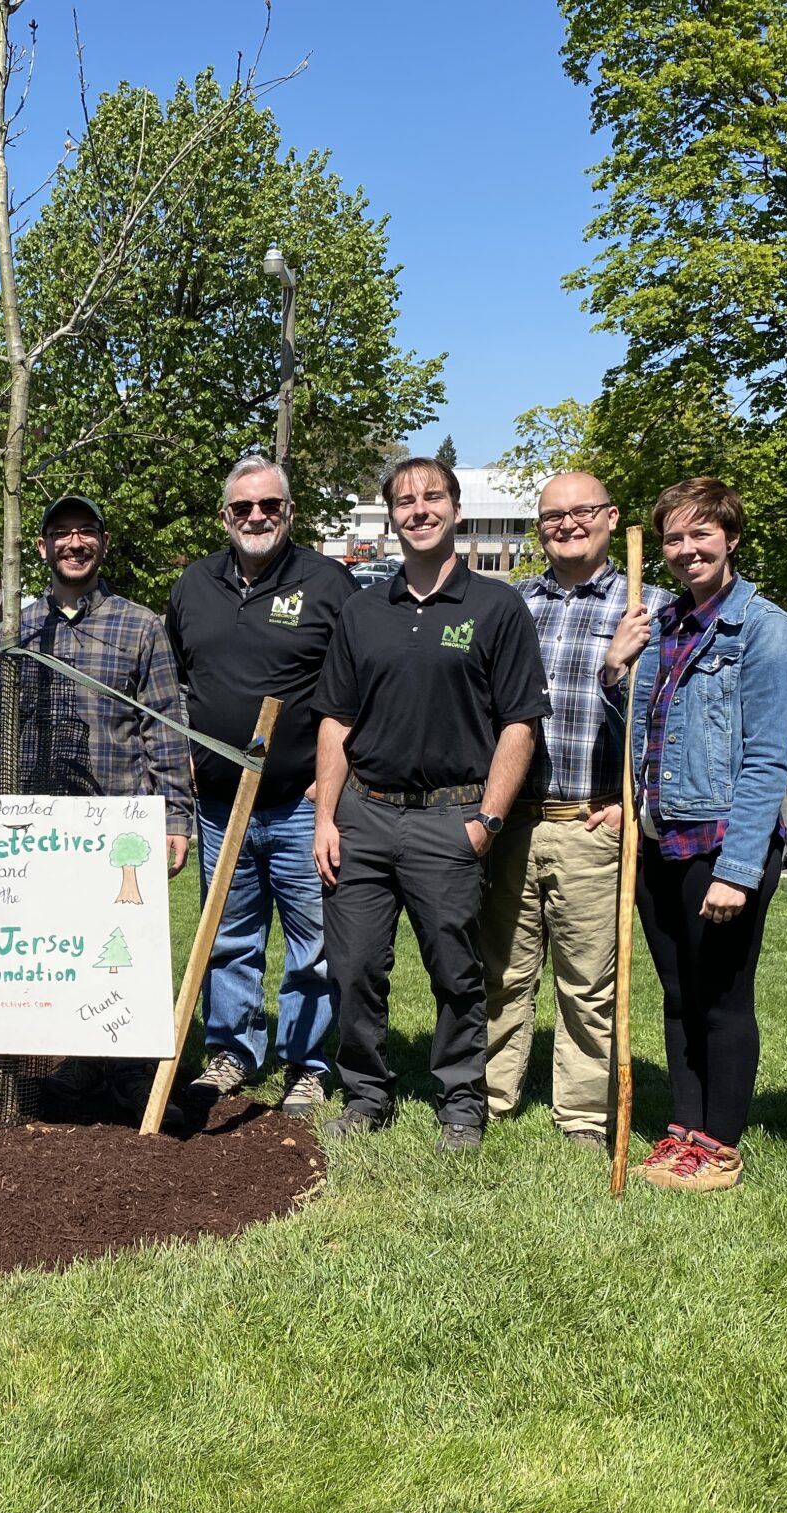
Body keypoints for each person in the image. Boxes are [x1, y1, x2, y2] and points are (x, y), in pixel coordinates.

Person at [312, 457, 552, 1150]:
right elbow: (336, 719)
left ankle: (460, 1103)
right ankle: (365, 1093)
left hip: (452, 817)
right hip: (364, 812)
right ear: (392, 516)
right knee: (354, 966)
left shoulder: (496, 606)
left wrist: (487, 821)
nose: (420, 509)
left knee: (455, 970)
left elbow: (518, 724)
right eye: (406, 500)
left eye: (433, 497)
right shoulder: (362, 611)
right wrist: (327, 817)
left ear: (456, 509)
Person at [601, 477, 787, 1192]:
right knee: (679, 994)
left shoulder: (764, 627)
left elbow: (766, 756)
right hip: (661, 842)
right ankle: (682, 1129)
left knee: (721, 998)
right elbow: (648, 733)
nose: (686, 551)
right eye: (674, 539)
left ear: (731, 537)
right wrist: (616, 667)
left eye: (700, 535)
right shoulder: (665, 623)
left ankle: (719, 1145)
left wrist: (738, 868)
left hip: (721, 844)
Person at [0, 493, 195, 1125]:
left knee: (122, 951)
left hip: (118, 828)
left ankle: (131, 1075)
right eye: (61, 534)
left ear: (102, 542)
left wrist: (174, 818)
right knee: (56, 948)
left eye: (86, 532)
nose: (74, 544)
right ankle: (74, 1065)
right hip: (41, 830)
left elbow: (166, 730)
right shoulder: (20, 633)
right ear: (43, 546)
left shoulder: (141, 627)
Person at [480, 472, 672, 1149]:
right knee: (501, 971)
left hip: (595, 820)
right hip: (514, 819)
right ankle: (492, 1095)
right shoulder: (511, 604)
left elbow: (674, 723)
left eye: (581, 512)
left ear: (611, 518)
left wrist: (637, 805)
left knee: (588, 982)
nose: (566, 525)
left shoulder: (649, 606)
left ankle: (584, 1115)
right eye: (552, 516)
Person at [166, 455, 351, 1116]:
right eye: (242, 507)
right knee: (229, 937)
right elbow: (178, 685)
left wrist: (330, 785)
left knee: (313, 945)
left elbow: (356, 694)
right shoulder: (193, 585)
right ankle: (232, 1053)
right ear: (225, 516)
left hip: (301, 803)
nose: (256, 517)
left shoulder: (329, 585)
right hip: (220, 808)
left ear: (289, 511)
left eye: (269, 505)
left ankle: (306, 1062)